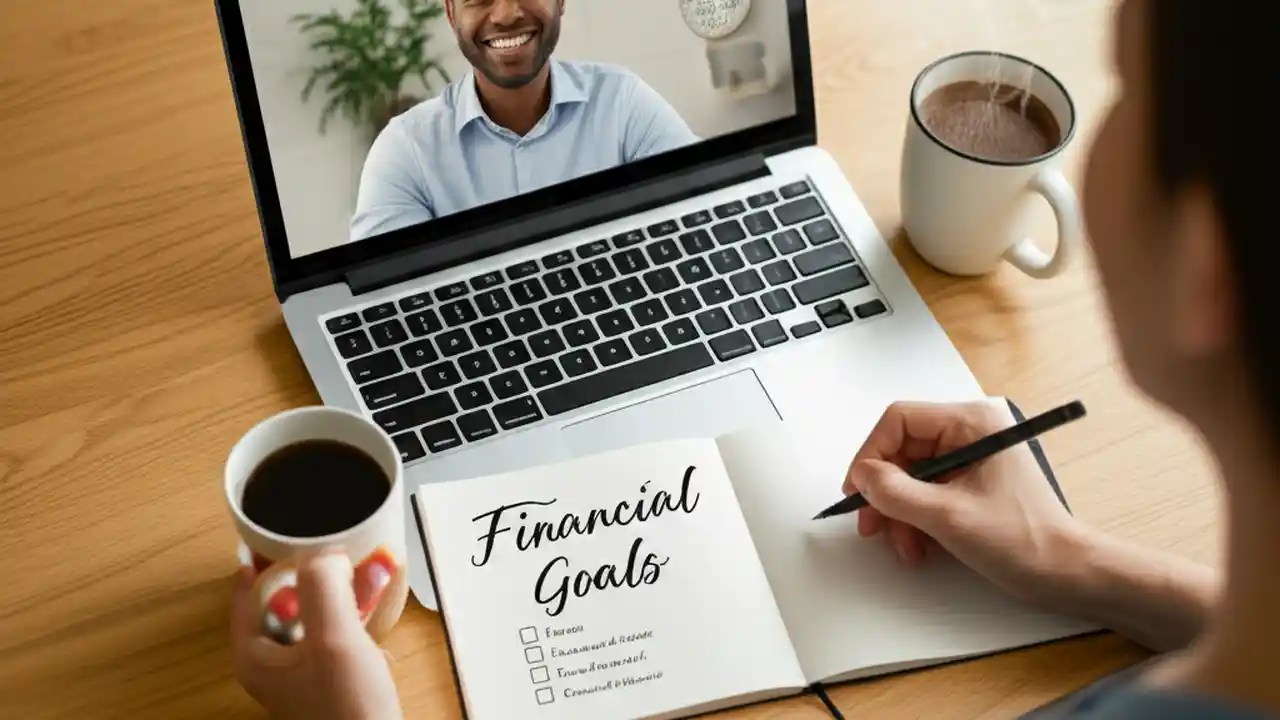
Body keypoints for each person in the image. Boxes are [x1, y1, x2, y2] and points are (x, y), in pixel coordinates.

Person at [234, 1, 1276, 717]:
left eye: (1119, 90)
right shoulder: (410, 148)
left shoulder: (624, 100)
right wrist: (1077, 565)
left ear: (1203, 268)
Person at [349, 0, 699, 241]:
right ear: (451, 14)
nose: (505, 14)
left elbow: (700, 219)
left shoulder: (622, 103)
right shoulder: (406, 150)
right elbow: (386, 300)